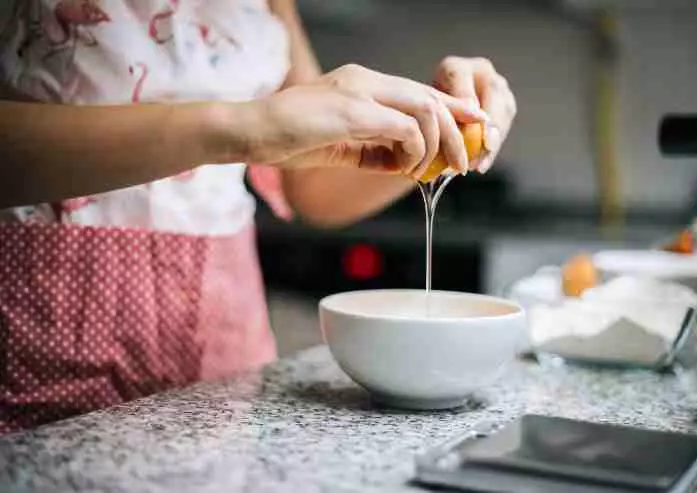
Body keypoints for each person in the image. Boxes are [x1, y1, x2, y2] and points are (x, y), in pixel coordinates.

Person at [0, 0, 517, 433]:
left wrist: (430, 129)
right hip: (39, 342)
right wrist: (243, 127)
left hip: (225, 356)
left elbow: (313, 186)